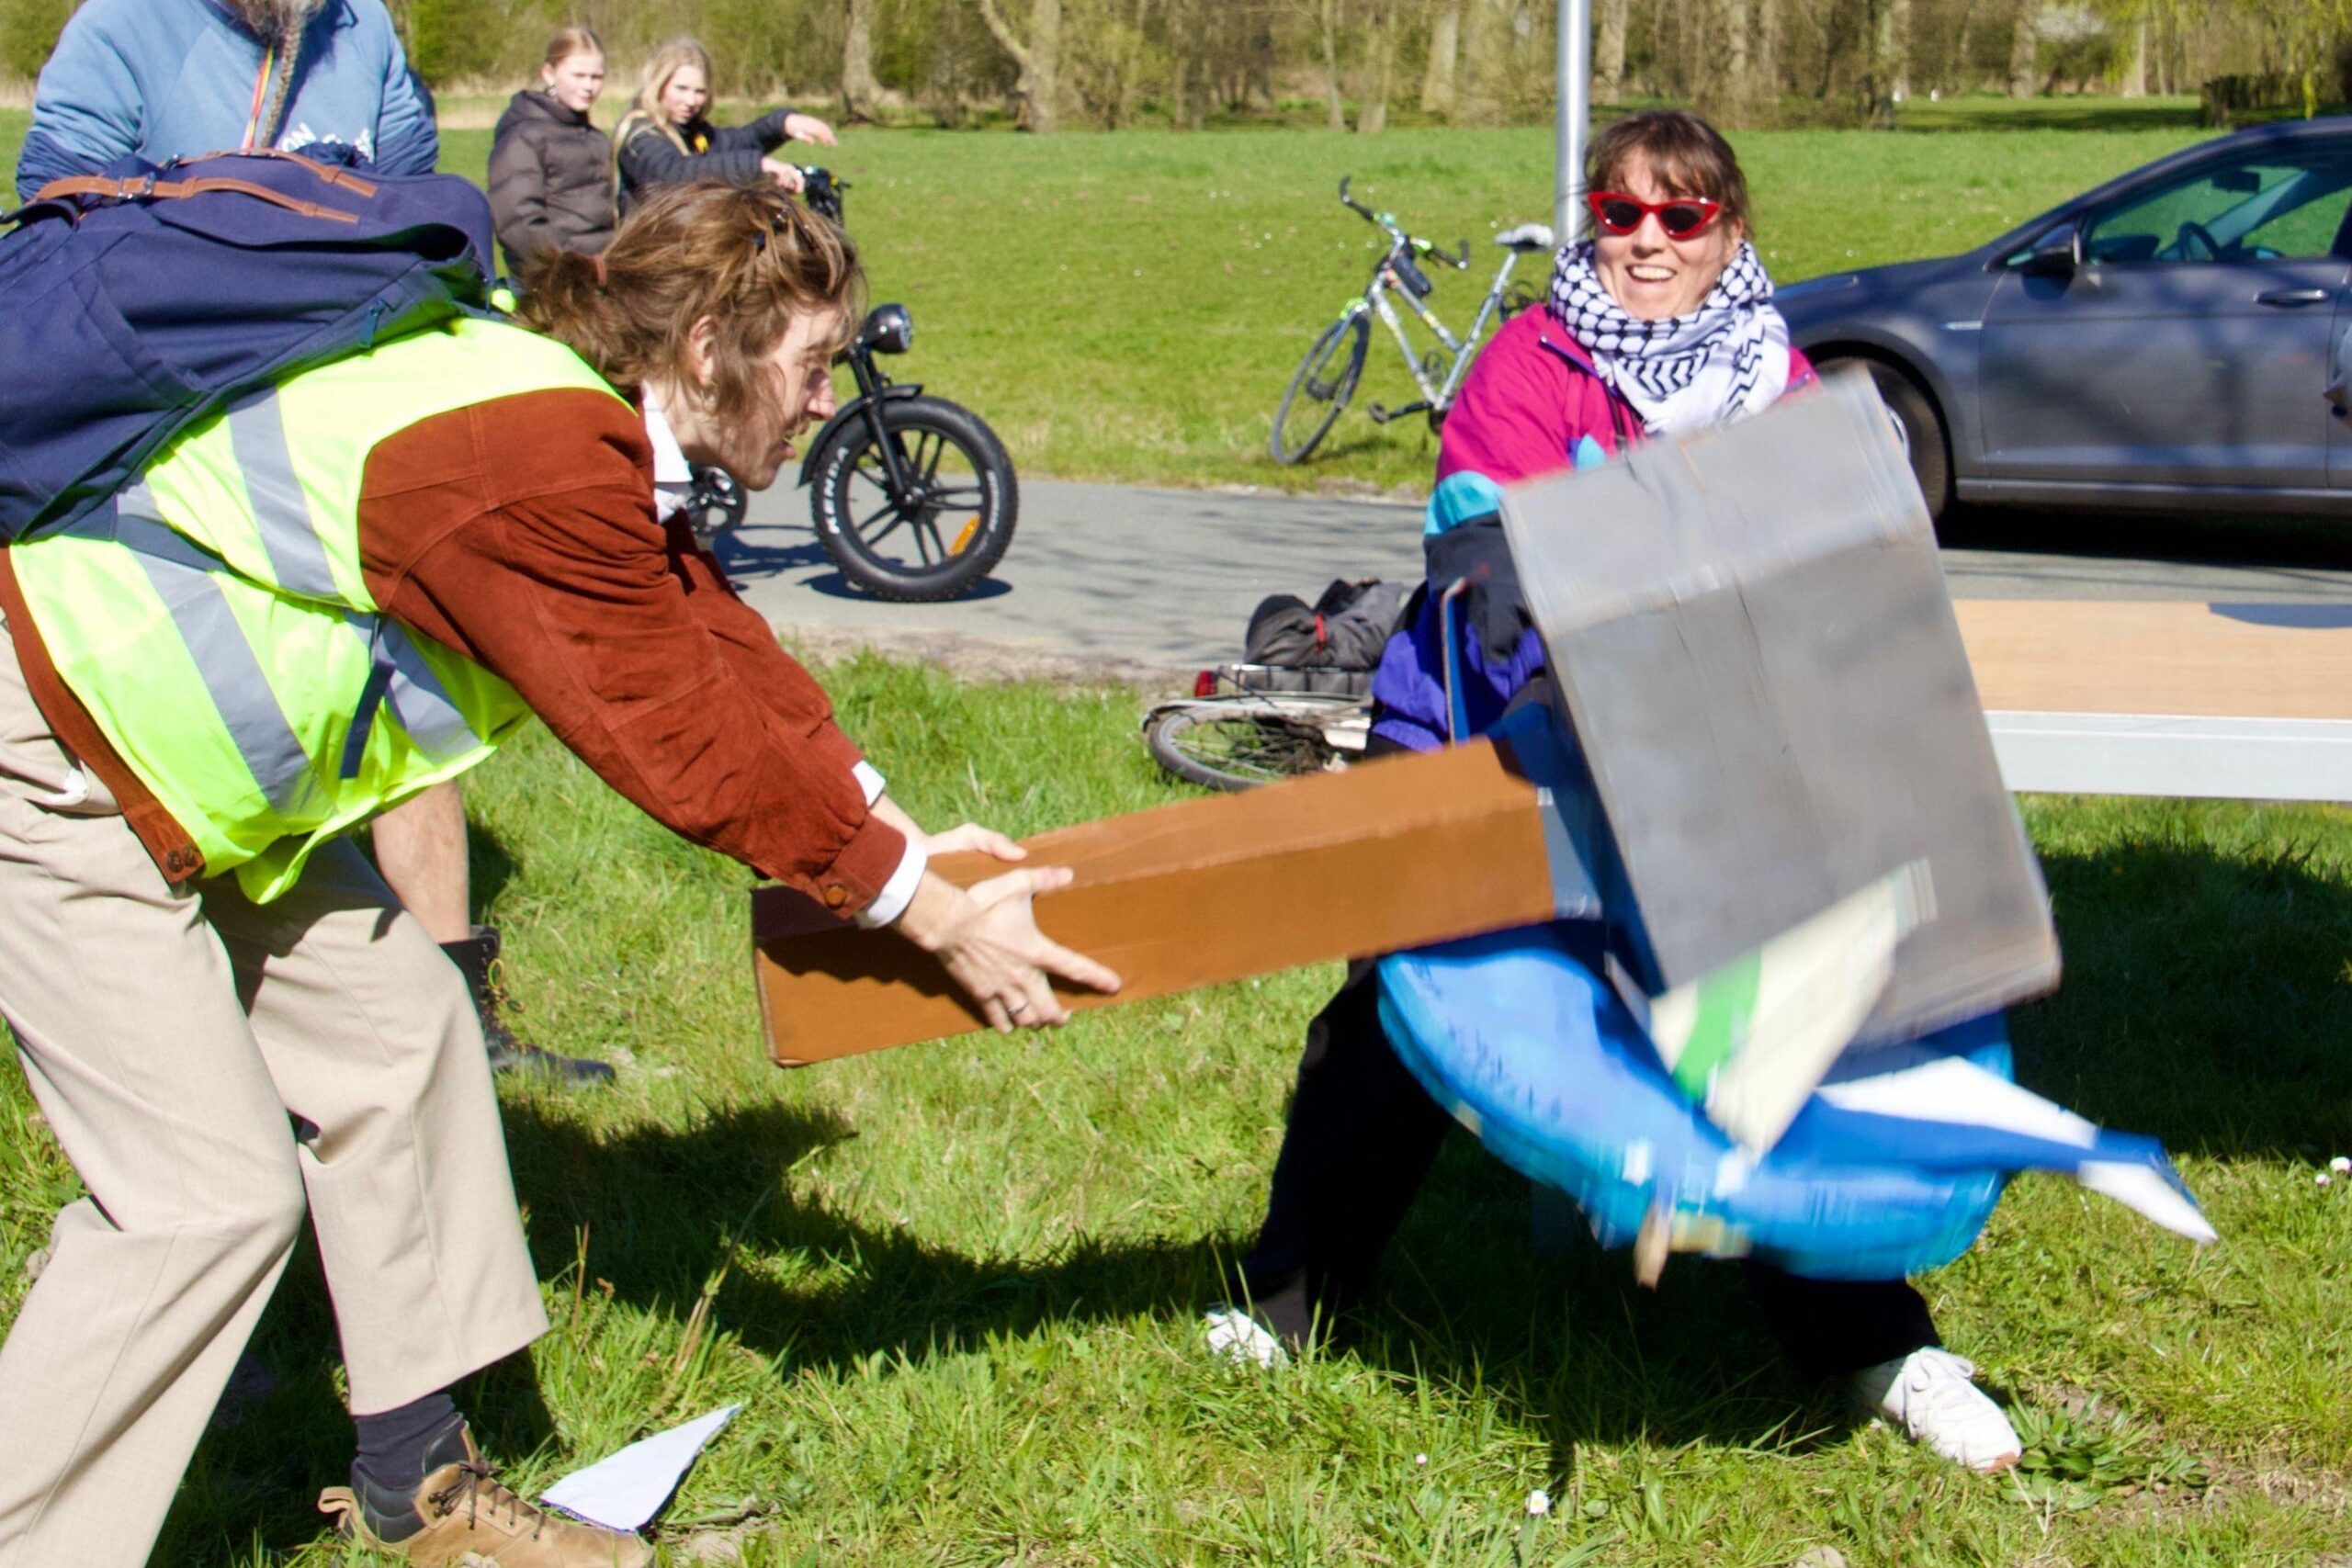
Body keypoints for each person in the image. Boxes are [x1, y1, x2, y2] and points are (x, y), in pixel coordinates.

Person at [0, 181, 1120, 1567]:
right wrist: (927, 908)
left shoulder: (573, 425)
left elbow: (715, 645)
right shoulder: (523, 455)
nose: (828, 400)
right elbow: (679, 736)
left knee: (404, 1035)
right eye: (813, 364)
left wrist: (905, 834)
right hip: (54, 756)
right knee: (206, 1195)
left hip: (185, 781)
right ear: (712, 341)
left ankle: (418, 1481)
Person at [1206, 110, 2025, 1476]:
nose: (1644, 241)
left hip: (1697, 746)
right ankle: (1285, 1302)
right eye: (1620, 213)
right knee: (1394, 1011)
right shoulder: (1537, 353)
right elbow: (1478, 511)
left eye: (1679, 216)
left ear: (1729, 234)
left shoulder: (1778, 382)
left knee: (1770, 1023)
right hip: (1491, 726)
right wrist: (1510, 580)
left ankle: (1878, 1346)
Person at [15, 0, 618, 1086]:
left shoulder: (365, 35)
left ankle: (453, 1010)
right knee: (189, 719)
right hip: (163, 421)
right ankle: (180, 1034)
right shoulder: (123, 25)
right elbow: (58, 217)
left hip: (330, 422)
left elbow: (413, 219)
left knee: (410, 690)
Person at [14, 0, 436, 201]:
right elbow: (55, 230)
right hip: (187, 358)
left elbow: (415, 203)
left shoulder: (364, 24)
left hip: (356, 345)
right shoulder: (118, 28)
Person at [612, 36, 836, 216]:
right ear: (658, 84)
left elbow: (735, 143)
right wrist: (757, 166)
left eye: (699, 91)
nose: (691, 101)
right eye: (681, 89)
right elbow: (672, 174)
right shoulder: (639, 135)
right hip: (646, 263)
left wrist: (782, 124)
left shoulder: (692, 132)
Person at [488, 26, 616, 277]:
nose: (588, 86)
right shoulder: (524, 136)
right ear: (549, 73)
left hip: (605, 274)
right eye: (578, 75)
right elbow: (519, 223)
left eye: (596, 77)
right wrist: (570, 272)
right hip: (556, 281)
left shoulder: (597, 140)